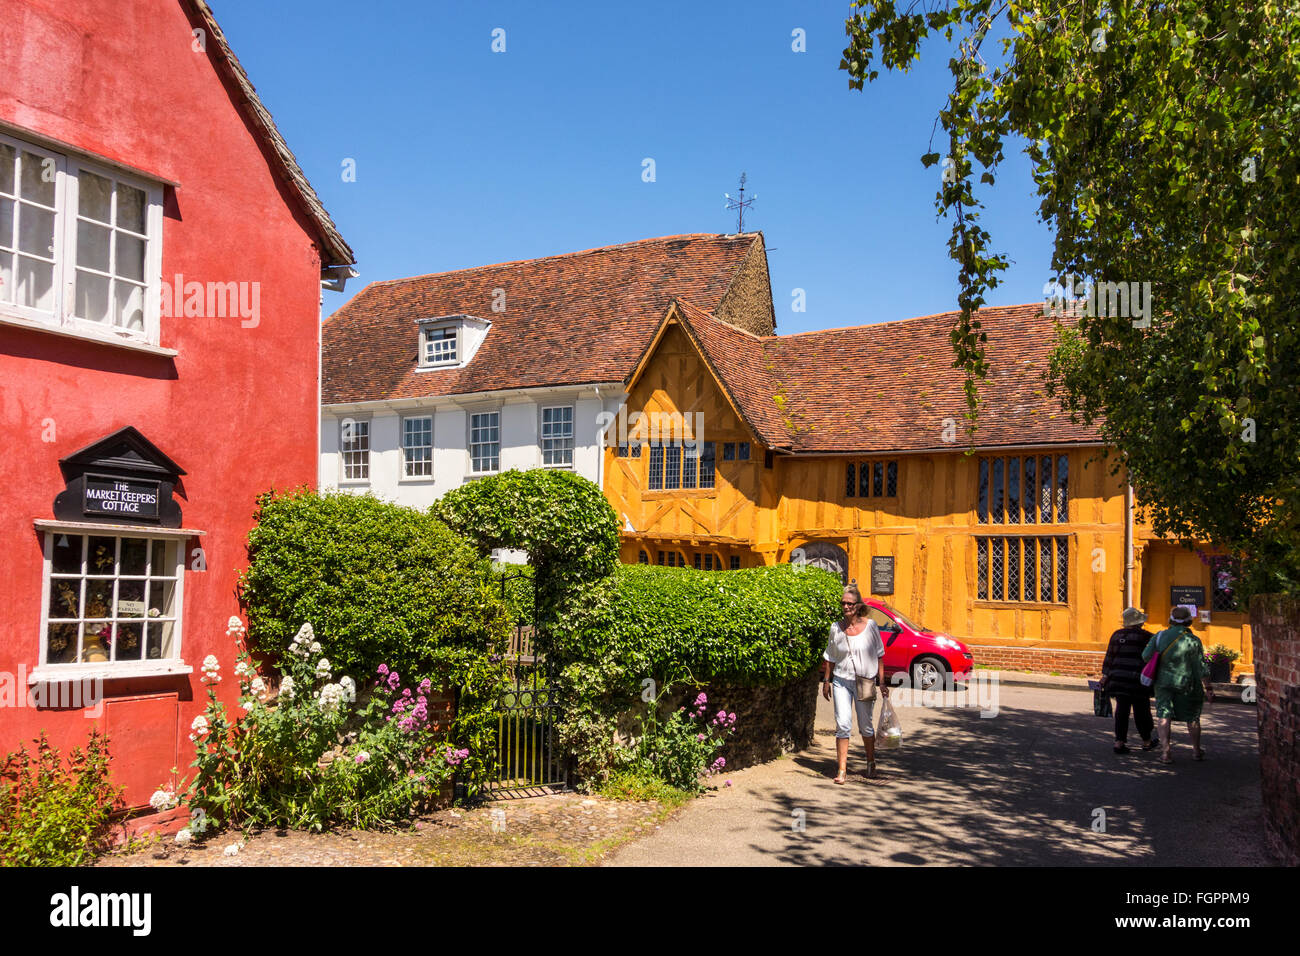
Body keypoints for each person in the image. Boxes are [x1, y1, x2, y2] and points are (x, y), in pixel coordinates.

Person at [821, 583, 887, 783]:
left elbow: (880, 656)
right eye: (843, 603)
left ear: (858, 606)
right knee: (842, 724)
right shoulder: (836, 628)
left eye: (849, 603)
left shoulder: (871, 627)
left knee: (866, 725)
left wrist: (882, 682)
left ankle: (870, 762)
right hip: (841, 681)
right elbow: (831, 657)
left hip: (865, 682)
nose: (845, 606)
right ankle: (841, 769)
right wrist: (826, 680)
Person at [1142, 605, 1215, 763]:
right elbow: (1201, 666)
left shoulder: (1159, 636)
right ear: (1189, 620)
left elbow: (1145, 656)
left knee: (1163, 714)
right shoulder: (1193, 640)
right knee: (1192, 717)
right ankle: (1196, 751)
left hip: (1163, 682)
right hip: (1187, 683)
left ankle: (1165, 752)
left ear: (1171, 619)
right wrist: (1208, 687)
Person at [1099, 607, 1156, 754]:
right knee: (1142, 711)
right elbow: (1152, 659)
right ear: (1140, 622)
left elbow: (1109, 657)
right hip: (1138, 680)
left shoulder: (1116, 635)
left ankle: (1119, 742)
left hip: (1118, 678)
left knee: (1121, 711)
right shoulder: (1147, 637)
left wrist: (1105, 676)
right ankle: (1146, 741)